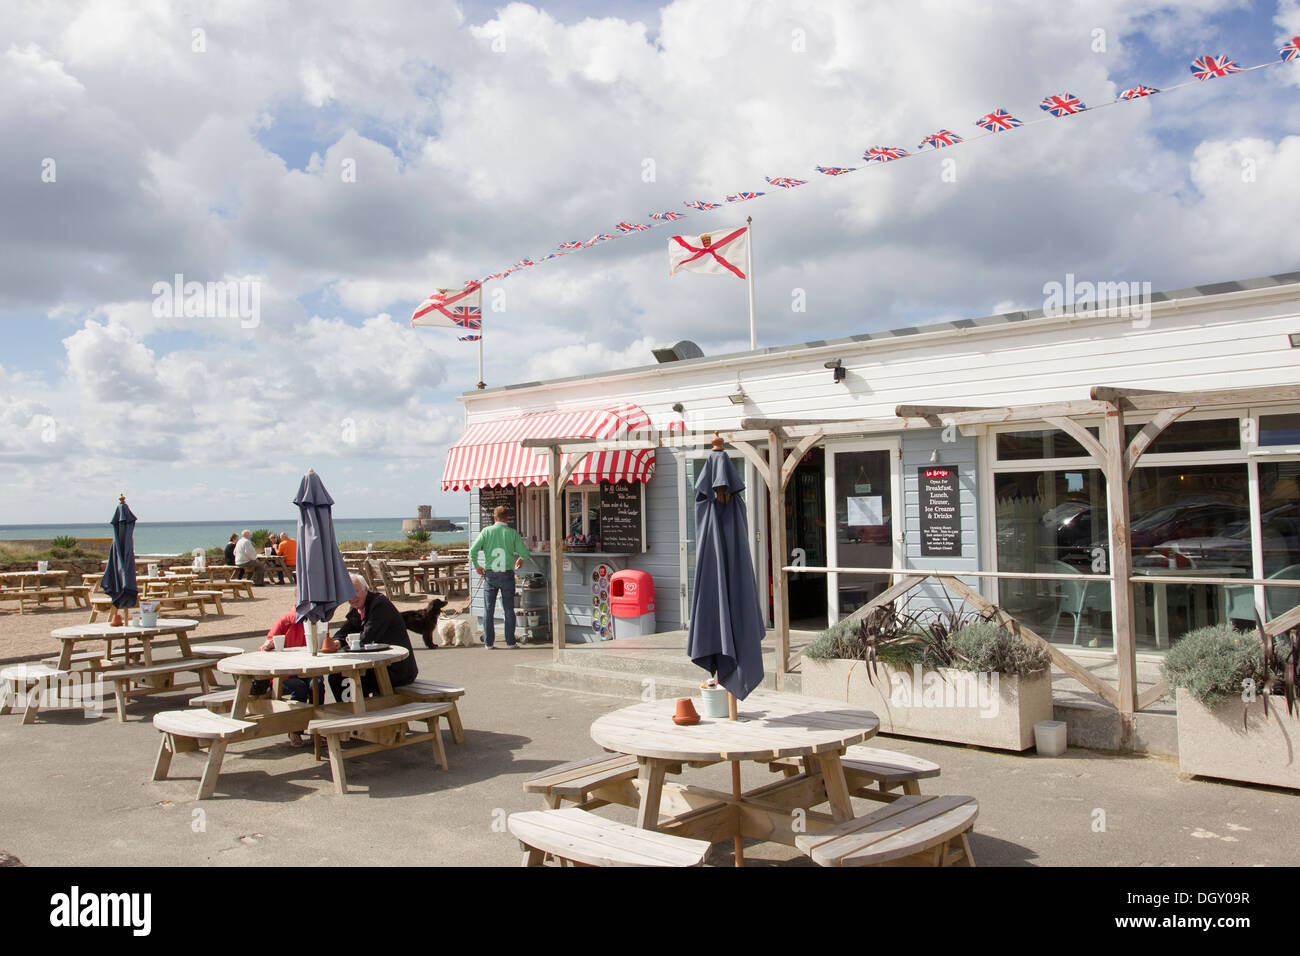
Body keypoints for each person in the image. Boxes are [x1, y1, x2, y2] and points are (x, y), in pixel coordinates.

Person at [328, 574, 418, 702]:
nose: (352, 597)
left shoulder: (379, 604)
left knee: (344, 678)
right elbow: (345, 630)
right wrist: (337, 641)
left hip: (396, 669)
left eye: (355, 591)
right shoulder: (358, 606)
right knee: (337, 677)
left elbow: (367, 637)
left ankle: (359, 714)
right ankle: (355, 712)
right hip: (379, 667)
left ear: (365, 589)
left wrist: (345, 643)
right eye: (348, 593)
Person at [251, 608, 319, 747]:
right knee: (299, 687)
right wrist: (268, 646)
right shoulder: (286, 620)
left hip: (308, 668)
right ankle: (295, 729)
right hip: (284, 673)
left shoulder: (318, 620)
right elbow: (264, 646)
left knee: (317, 685)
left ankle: (317, 729)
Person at [469, 505, 530, 649]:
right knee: (508, 609)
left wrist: (477, 566)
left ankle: (489, 643)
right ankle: (510, 642)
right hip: (507, 574)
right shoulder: (512, 533)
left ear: (494, 518)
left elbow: (473, 550)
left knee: (488, 609)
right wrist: (520, 559)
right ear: (507, 517)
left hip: (490, 574)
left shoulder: (486, 531)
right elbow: (524, 553)